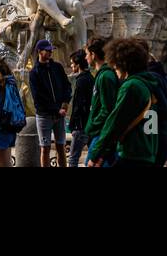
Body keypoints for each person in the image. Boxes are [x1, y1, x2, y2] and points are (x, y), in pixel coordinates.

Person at [88, 38, 157, 168]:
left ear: (124, 64)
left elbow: (114, 122)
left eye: (116, 66)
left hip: (132, 153)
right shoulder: (148, 84)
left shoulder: (131, 86)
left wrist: (96, 154)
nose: (115, 70)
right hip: (148, 150)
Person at [29, 38, 72, 167]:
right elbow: (38, 98)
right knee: (45, 148)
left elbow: (67, 86)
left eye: (50, 50)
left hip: (60, 114)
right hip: (44, 115)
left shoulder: (57, 67)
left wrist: (65, 103)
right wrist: (56, 109)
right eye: (47, 51)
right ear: (39, 52)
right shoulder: (34, 73)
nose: (50, 53)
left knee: (61, 146)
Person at [84, 36, 121, 166]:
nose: (85, 58)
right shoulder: (103, 75)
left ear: (93, 55)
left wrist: (92, 125)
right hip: (100, 133)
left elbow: (108, 110)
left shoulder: (106, 76)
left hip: (102, 134)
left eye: (87, 54)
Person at [67, 50, 94, 167]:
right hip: (89, 123)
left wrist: (73, 125)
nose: (71, 66)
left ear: (78, 65)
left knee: (73, 158)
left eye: (73, 63)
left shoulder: (81, 81)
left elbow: (78, 105)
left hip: (80, 125)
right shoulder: (90, 78)